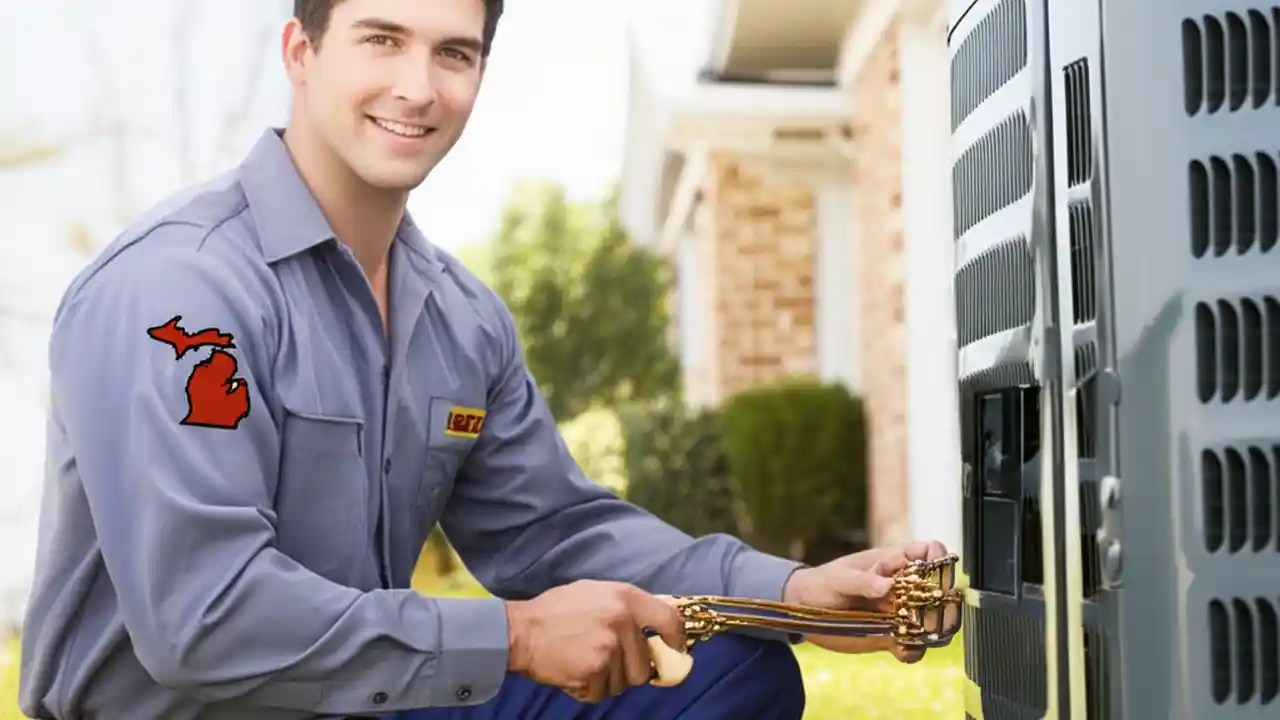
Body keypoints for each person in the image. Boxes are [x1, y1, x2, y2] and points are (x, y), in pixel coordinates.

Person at [17, 1, 957, 718]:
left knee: (732, 672)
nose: (419, 86)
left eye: (453, 52)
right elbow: (201, 615)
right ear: (301, 54)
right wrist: (512, 635)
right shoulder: (182, 290)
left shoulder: (459, 319)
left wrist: (792, 592)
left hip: (355, 702)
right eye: (383, 39)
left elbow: (556, 535)